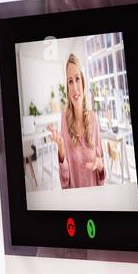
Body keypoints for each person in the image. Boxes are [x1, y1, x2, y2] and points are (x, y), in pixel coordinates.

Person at [46, 53, 106, 189]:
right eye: (70, 81)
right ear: (67, 88)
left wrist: (100, 165)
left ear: (83, 82)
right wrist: (61, 148)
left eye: (77, 79)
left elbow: (102, 178)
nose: (74, 87)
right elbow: (65, 182)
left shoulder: (94, 119)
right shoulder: (64, 120)